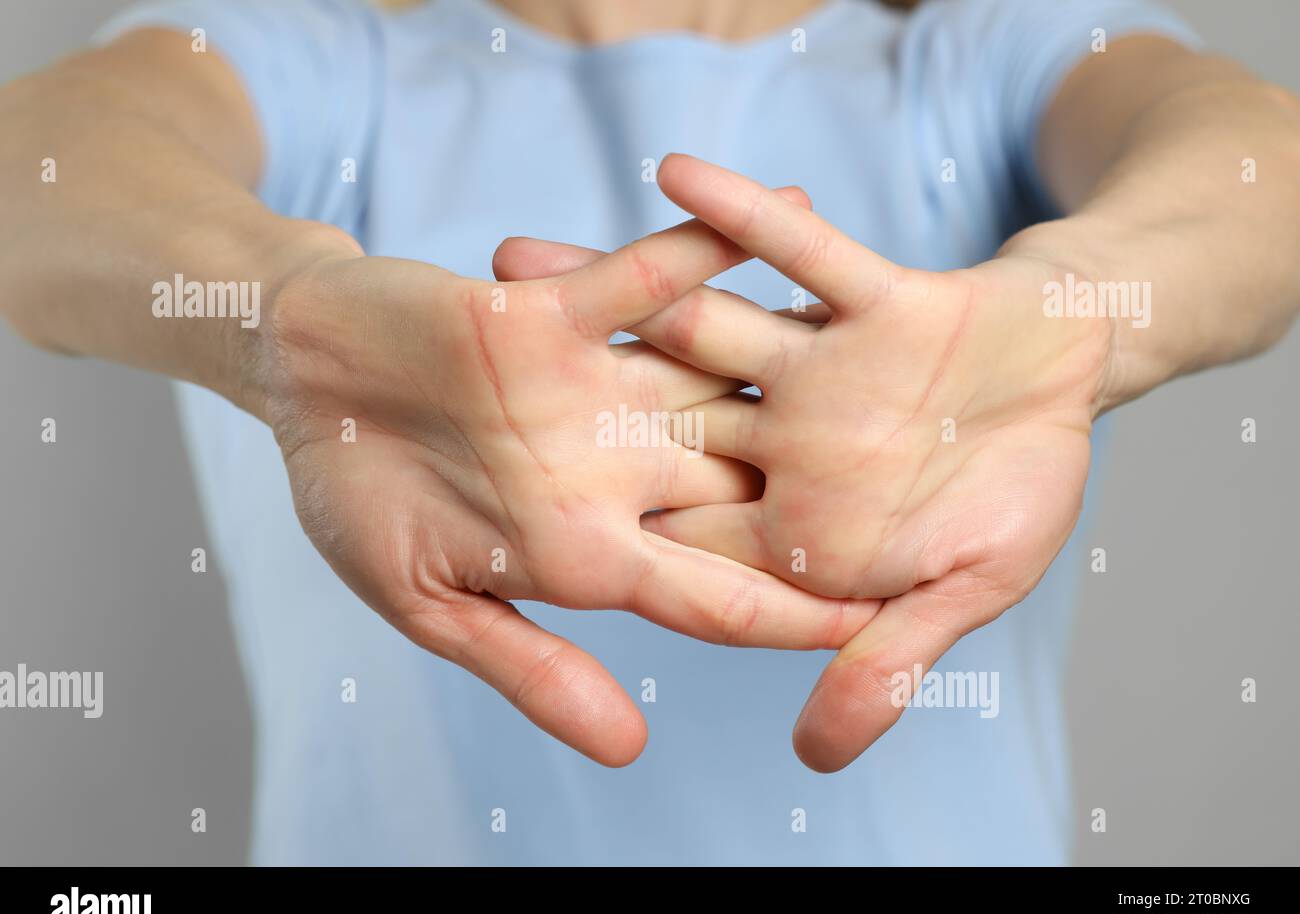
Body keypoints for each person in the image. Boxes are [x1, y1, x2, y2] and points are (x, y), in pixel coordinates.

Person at [1, 0, 1296, 865]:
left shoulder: (985, 58)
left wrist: (1079, 316)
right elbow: (40, 166)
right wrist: (285, 322)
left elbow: (1259, 163)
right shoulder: (314, 59)